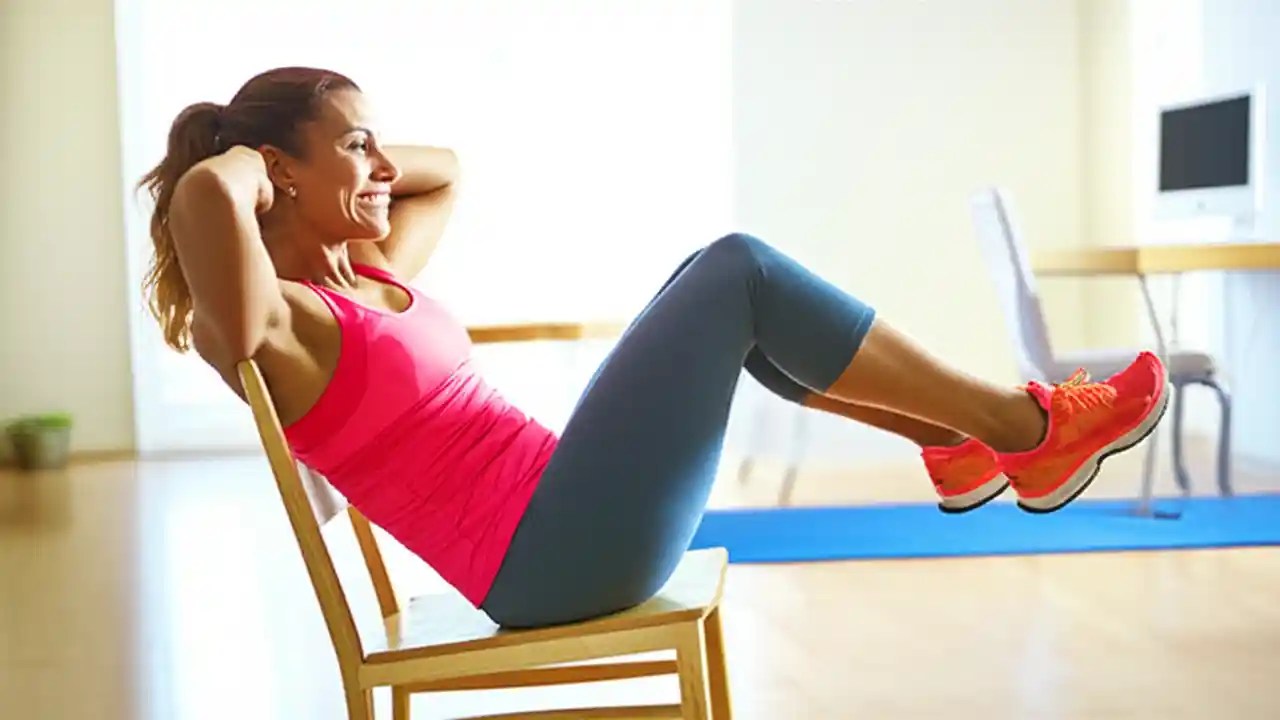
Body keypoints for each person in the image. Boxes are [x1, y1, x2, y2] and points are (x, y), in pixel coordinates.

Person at [139, 66, 1170, 629]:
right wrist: (240, 162)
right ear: (272, 173)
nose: (379, 164)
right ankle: (1022, 426)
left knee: (711, 289)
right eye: (356, 143)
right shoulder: (282, 328)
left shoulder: (370, 279)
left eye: (373, 141)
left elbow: (444, 171)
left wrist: (335, 158)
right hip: (552, 558)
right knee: (738, 273)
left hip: (561, 522)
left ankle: (951, 446)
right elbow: (202, 206)